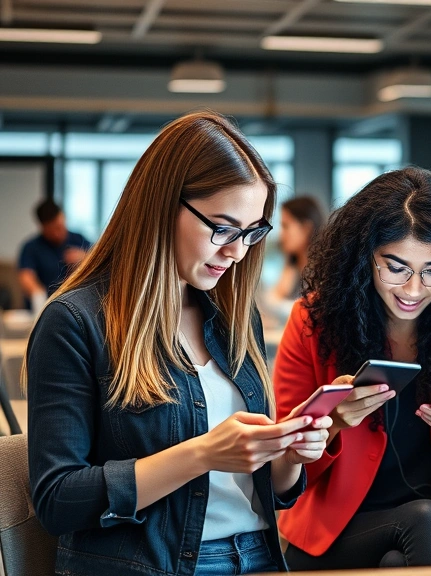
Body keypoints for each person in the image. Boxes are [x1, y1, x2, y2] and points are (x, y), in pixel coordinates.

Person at [26, 111, 332, 576]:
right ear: (163, 205)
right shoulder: (75, 322)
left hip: (259, 557)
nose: (237, 251)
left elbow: (268, 494)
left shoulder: (234, 316)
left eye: (252, 233)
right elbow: (57, 500)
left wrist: (288, 455)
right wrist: (202, 454)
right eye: (224, 228)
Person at [272, 166, 431, 569]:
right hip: (335, 532)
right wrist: (332, 424)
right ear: (363, 257)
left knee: (411, 541)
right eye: (396, 268)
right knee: (421, 520)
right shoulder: (312, 321)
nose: (414, 289)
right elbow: (284, 471)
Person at [260, 195, 326, 326]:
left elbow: (314, 313)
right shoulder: (294, 265)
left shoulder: (325, 270)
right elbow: (274, 299)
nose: (281, 234)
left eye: (286, 226)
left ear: (306, 228)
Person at [18, 198, 91, 309]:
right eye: (52, 230)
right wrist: (37, 294)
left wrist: (85, 258)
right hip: (45, 306)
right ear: (42, 227)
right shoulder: (31, 247)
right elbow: (26, 276)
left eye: (59, 227)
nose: (57, 234)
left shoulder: (79, 240)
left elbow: (100, 262)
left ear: (63, 218)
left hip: (76, 306)